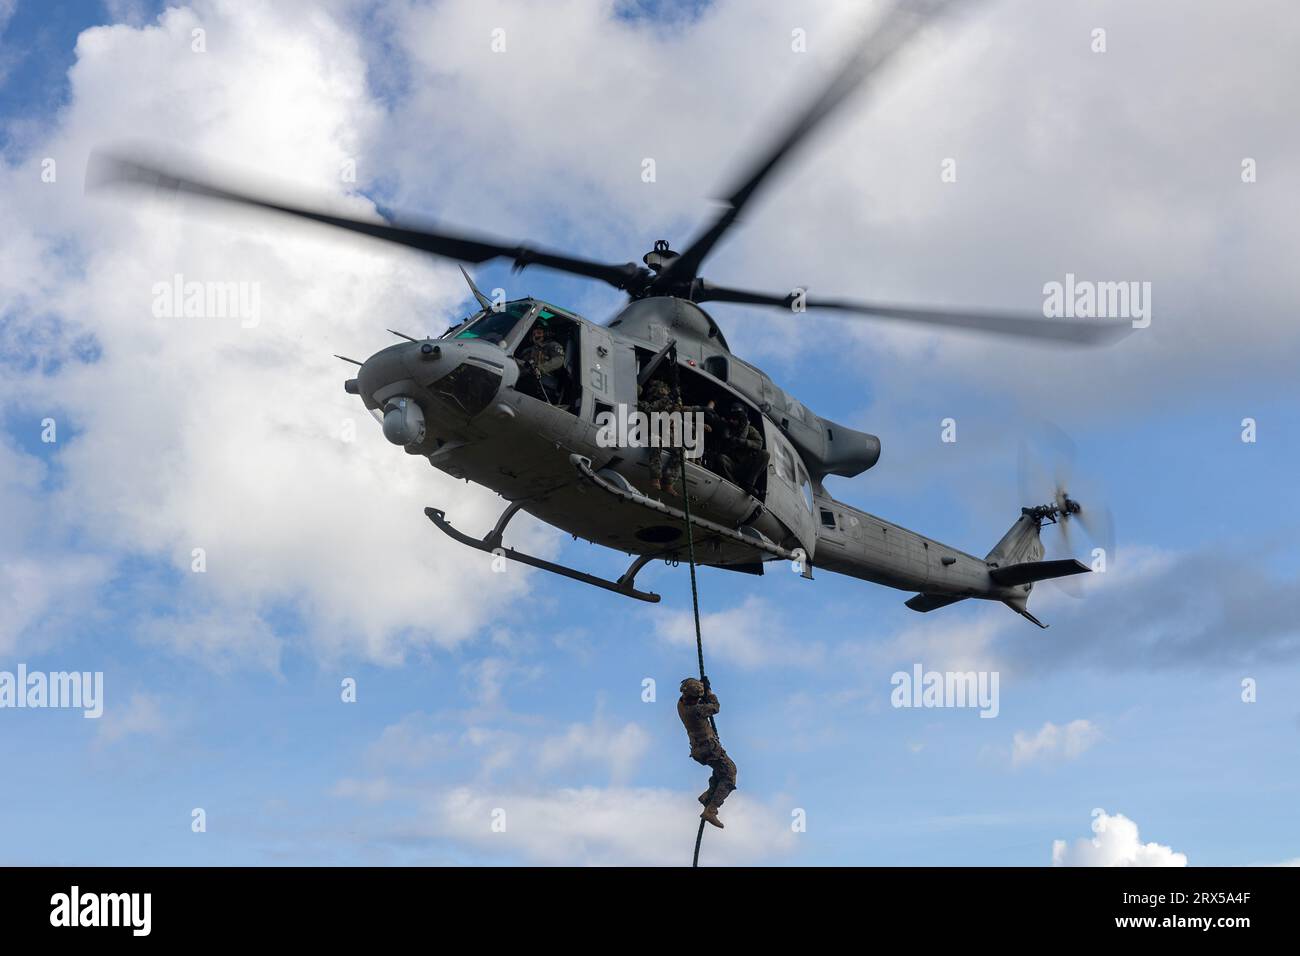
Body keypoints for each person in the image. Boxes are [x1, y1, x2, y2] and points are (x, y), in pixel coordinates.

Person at [678, 677, 736, 829]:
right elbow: (715, 707)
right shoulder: (697, 710)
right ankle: (711, 809)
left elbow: (696, 699)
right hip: (709, 749)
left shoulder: (681, 704)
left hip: (698, 750)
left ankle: (708, 795)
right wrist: (708, 692)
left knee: (720, 772)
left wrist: (700, 689)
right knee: (730, 773)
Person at [638, 378, 682, 496]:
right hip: (645, 436)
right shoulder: (645, 404)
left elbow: (678, 409)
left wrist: (676, 405)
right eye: (661, 392)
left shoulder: (666, 408)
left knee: (680, 450)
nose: (664, 394)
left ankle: (668, 483)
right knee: (656, 441)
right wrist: (669, 397)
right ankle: (655, 478)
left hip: (663, 439)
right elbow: (652, 409)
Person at [715, 402, 768, 496]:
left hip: (744, 465)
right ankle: (735, 485)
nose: (732, 421)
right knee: (721, 459)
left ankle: (748, 484)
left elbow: (759, 443)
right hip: (731, 464)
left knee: (765, 454)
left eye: (735, 418)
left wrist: (742, 442)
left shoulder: (750, 430)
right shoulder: (727, 429)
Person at [516, 324, 565, 403]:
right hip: (525, 378)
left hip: (543, 381)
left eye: (539, 333)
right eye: (534, 334)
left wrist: (540, 368)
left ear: (546, 333)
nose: (536, 336)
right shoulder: (527, 350)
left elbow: (558, 360)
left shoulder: (553, 345)